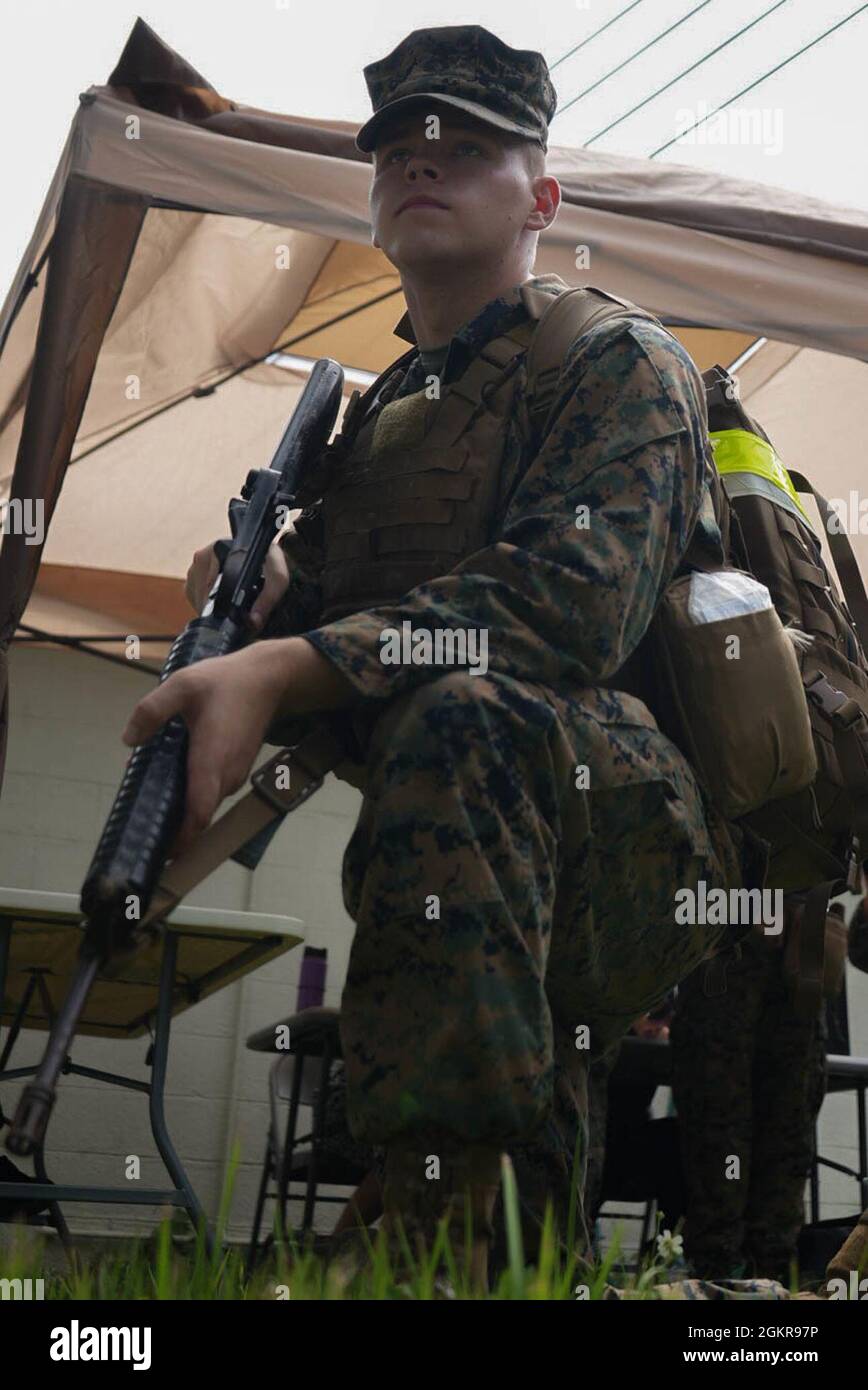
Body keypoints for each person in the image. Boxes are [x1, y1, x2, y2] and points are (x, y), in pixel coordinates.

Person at [122, 24, 753, 1288]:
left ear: (544, 197)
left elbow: (568, 609)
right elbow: (363, 692)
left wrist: (289, 669)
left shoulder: (617, 360)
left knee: (463, 716)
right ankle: (514, 1254)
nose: (425, 163)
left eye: (468, 147)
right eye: (400, 147)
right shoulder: (378, 419)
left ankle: (429, 1238)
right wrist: (268, 623)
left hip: (638, 835)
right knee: (532, 1121)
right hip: (484, 850)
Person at [670, 895, 829, 1283]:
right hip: (727, 927)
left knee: (786, 1134)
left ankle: (769, 1278)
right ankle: (719, 1274)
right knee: (719, 1129)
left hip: (800, 933)